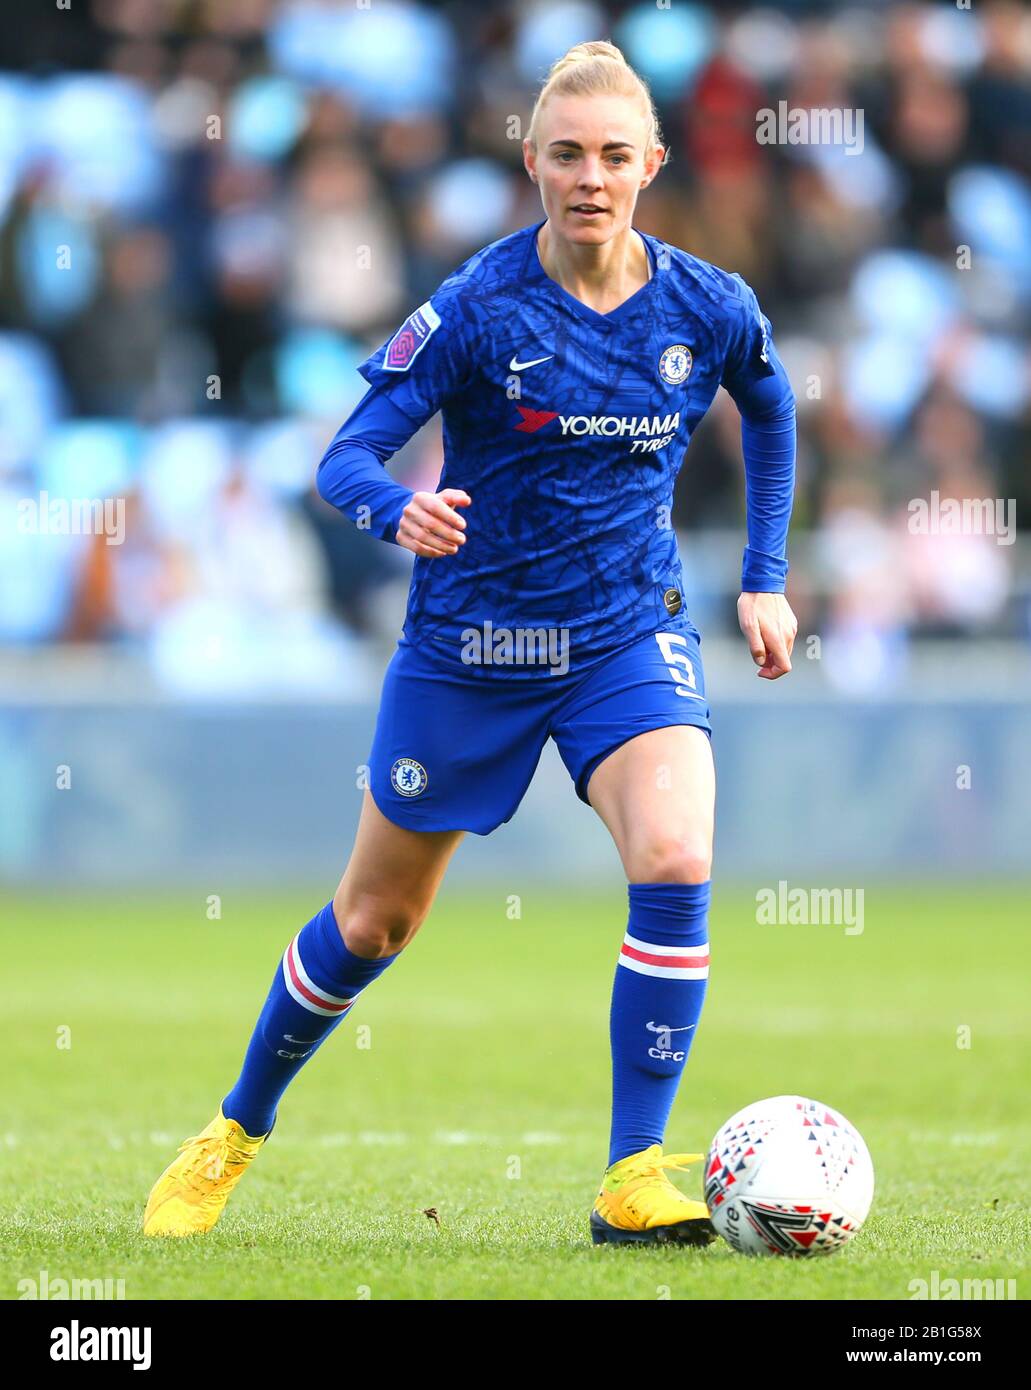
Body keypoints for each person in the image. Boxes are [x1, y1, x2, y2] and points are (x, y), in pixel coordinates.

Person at [143, 40, 797, 1246]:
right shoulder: (476, 308)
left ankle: (629, 1174)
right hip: (471, 649)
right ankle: (231, 1129)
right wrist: (397, 508)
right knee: (371, 925)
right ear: (531, 163)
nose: (588, 177)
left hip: (624, 634)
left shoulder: (708, 305)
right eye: (564, 154)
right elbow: (341, 454)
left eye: (612, 155)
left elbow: (767, 400)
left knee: (672, 858)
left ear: (652, 164)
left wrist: (762, 579)